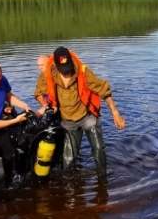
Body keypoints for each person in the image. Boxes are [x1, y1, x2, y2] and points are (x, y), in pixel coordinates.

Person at [37, 46, 125, 175]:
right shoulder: (48, 75)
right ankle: (69, 187)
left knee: (99, 149)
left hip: (87, 116)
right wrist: (47, 105)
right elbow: (39, 93)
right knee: (69, 158)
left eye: (67, 69)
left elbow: (104, 90)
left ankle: (102, 180)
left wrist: (115, 113)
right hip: (68, 121)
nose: (66, 72)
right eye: (63, 70)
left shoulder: (83, 72)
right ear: (55, 65)